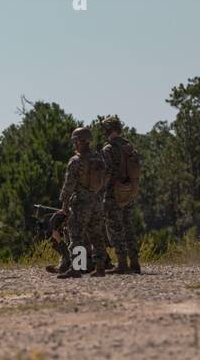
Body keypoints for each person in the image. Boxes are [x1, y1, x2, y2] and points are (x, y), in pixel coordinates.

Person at [56, 126, 108, 278]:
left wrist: (64, 206)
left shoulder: (76, 161)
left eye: (75, 141)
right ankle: (100, 267)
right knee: (97, 235)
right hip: (97, 203)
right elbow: (103, 181)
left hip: (81, 205)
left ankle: (77, 268)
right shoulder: (99, 159)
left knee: (76, 235)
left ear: (78, 142)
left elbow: (68, 186)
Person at [98, 115, 142, 274]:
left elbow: (108, 172)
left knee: (115, 228)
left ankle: (122, 263)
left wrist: (100, 187)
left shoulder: (108, 149)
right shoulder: (129, 147)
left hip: (113, 194)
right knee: (129, 227)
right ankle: (135, 262)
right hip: (128, 192)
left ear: (108, 130)